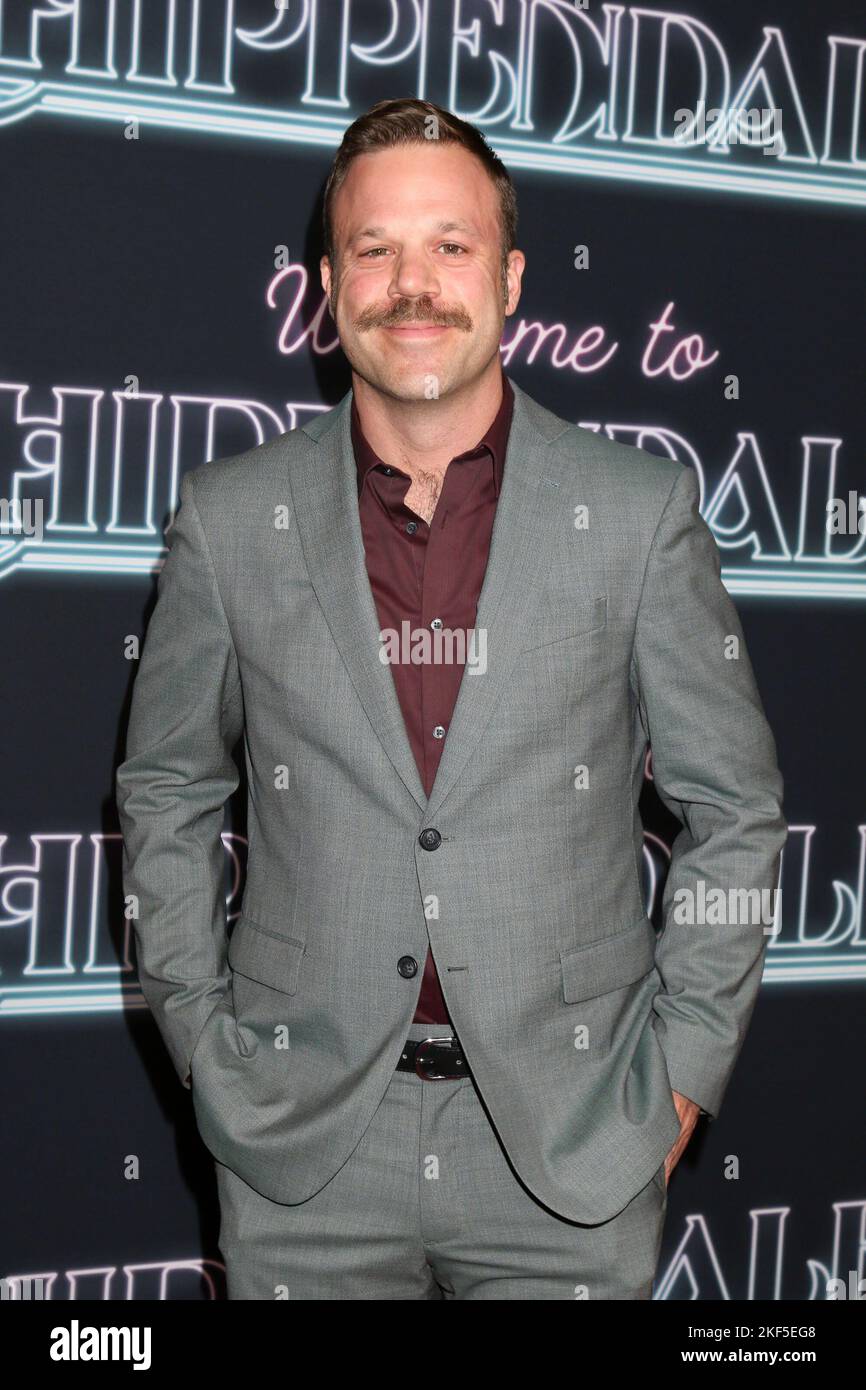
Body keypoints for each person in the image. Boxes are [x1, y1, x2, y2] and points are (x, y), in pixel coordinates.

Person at [116, 97, 786, 1300]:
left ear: (511, 276)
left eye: (449, 245)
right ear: (329, 285)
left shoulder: (637, 516)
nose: (410, 284)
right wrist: (203, 1044)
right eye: (374, 249)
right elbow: (166, 789)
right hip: (302, 1152)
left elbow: (733, 808)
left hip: (571, 1150)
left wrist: (678, 1076)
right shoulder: (228, 520)